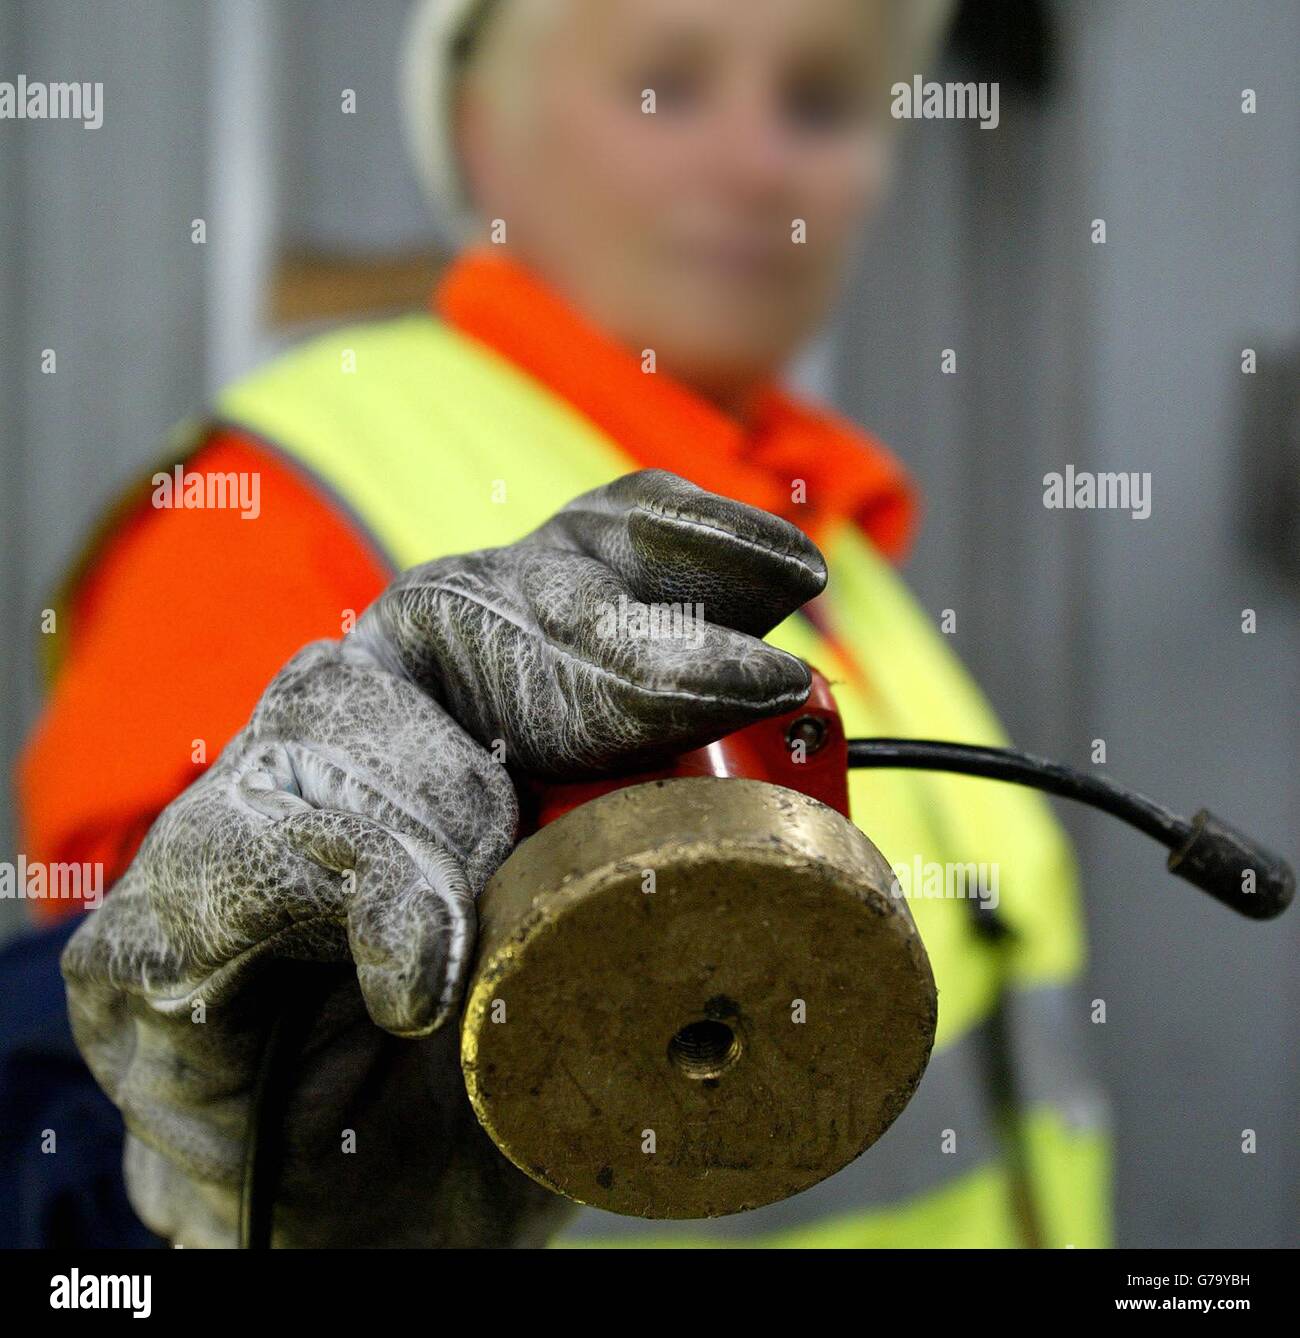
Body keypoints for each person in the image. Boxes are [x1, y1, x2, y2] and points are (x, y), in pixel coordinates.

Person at [11, 0, 1109, 1247]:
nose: (758, 165)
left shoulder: (828, 534)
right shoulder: (277, 497)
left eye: (819, 102)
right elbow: (116, 1089)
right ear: (481, 131)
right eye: (665, 87)